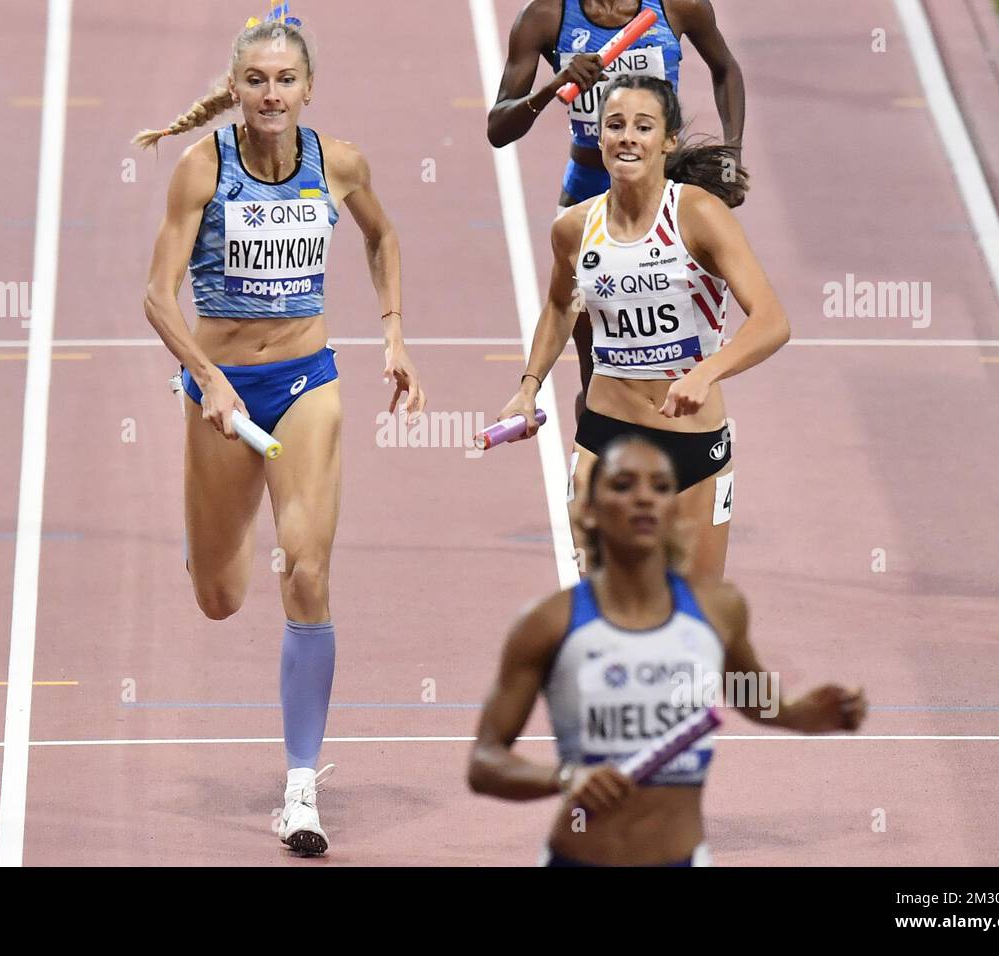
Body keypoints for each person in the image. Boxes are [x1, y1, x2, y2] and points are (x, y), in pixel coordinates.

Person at [134, 15, 425, 857]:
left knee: (306, 569)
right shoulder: (202, 169)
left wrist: (395, 333)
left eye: (284, 80)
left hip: (306, 382)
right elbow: (158, 297)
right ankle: (209, 540)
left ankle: (300, 788)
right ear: (236, 88)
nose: (270, 94)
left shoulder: (339, 164)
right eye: (255, 80)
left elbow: (383, 235)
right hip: (222, 386)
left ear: (307, 89)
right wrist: (210, 379)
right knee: (220, 599)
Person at [467, 434, 867, 866]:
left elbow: (756, 701)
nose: (644, 499)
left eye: (660, 487)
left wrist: (809, 715)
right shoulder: (548, 623)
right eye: (623, 485)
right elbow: (485, 762)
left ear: (674, 509)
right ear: (589, 509)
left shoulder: (718, 610)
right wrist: (563, 777)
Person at [496, 74, 785, 583]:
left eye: (643, 126)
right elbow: (561, 307)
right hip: (605, 436)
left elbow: (772, 322)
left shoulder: (698, 214)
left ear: (667, 140)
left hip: (694, 450)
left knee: (693, 621)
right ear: (599, 136)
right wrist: (528, 388)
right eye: (615, 125)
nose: (627, 136)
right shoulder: (574, 228)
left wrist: (705, 374)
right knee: (604, 613)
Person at [488, 0, 746, 423]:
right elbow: (498, 128)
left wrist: (731, 151)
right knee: (594, 357)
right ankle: (598, 440)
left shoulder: (678, 7)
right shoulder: (545, 17)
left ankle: (683, 430)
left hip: (663, 191)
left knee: (678, 328)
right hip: (588, 191)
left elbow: (726, 68)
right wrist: (552, 87)